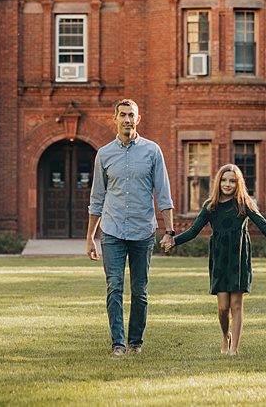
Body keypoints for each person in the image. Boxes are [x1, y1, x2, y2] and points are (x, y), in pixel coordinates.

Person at [86, 98, 175, 356]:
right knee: (114, 286)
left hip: (142, 233)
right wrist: (90, 237)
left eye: (131, 115)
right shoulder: (103, 154)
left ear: (138, 119)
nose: (127, 119)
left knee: (140, 290)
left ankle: (135, 342)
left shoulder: (152, 151)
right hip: (112, 232)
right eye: (122, 115)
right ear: (114, 119)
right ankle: (118, 343)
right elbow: (97, 198)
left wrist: (169, 232)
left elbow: (164, 195)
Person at [168, 163, 266, 355]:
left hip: (238, 257)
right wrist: (174, 242)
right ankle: (225, 336)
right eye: (224, 180)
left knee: (236, 304)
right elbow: (194, 231)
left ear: (239, 184)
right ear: (218, 181)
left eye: (232, 181)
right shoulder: (210, 206)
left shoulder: (244, 204)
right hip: (220, 258)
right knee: (222, 308)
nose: (227, 184)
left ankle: (234, 349)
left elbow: (264, 226)